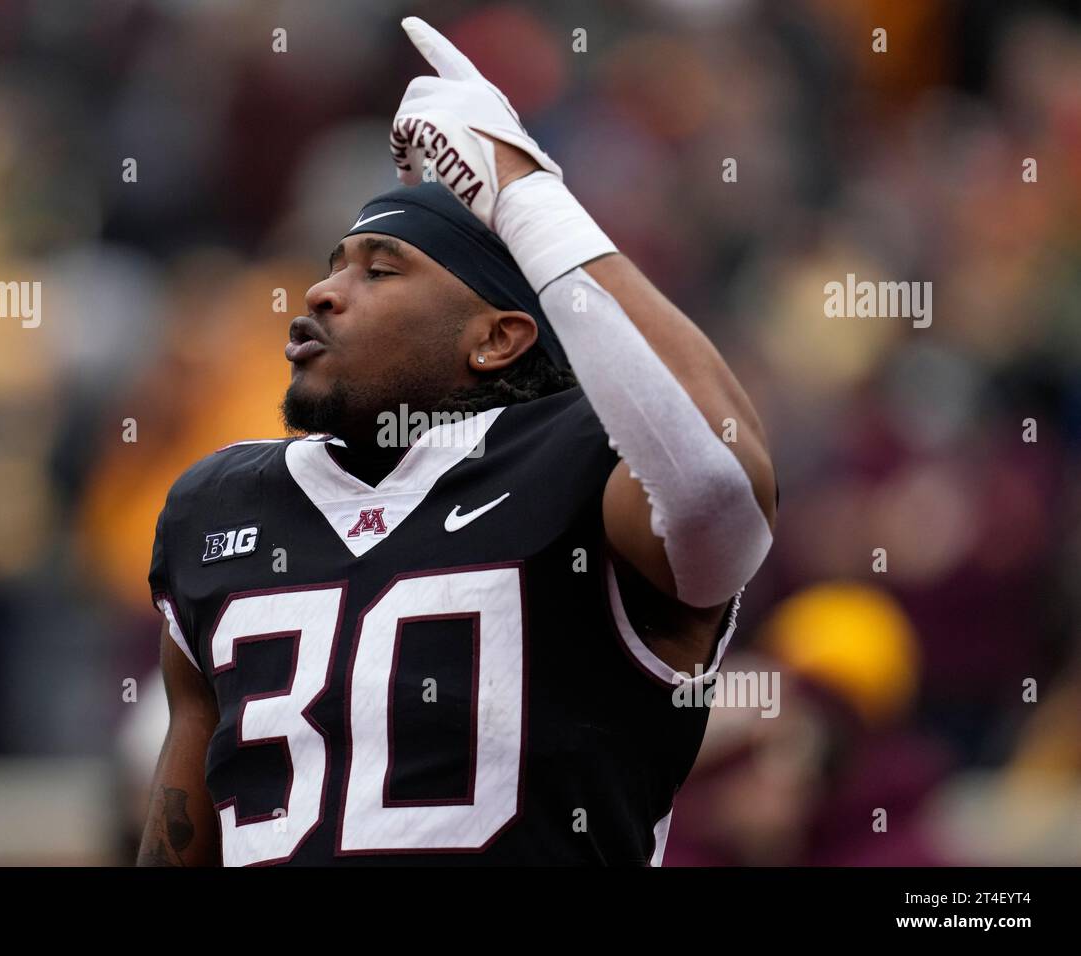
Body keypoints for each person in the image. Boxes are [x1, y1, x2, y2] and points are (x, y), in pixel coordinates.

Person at [138, 18, 776, 866]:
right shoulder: (216, 506)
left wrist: (521, 190)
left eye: (379, 268)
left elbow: (720, 482)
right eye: (333, 263)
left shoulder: (589, 464)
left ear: (498, 338)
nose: (325, 291)